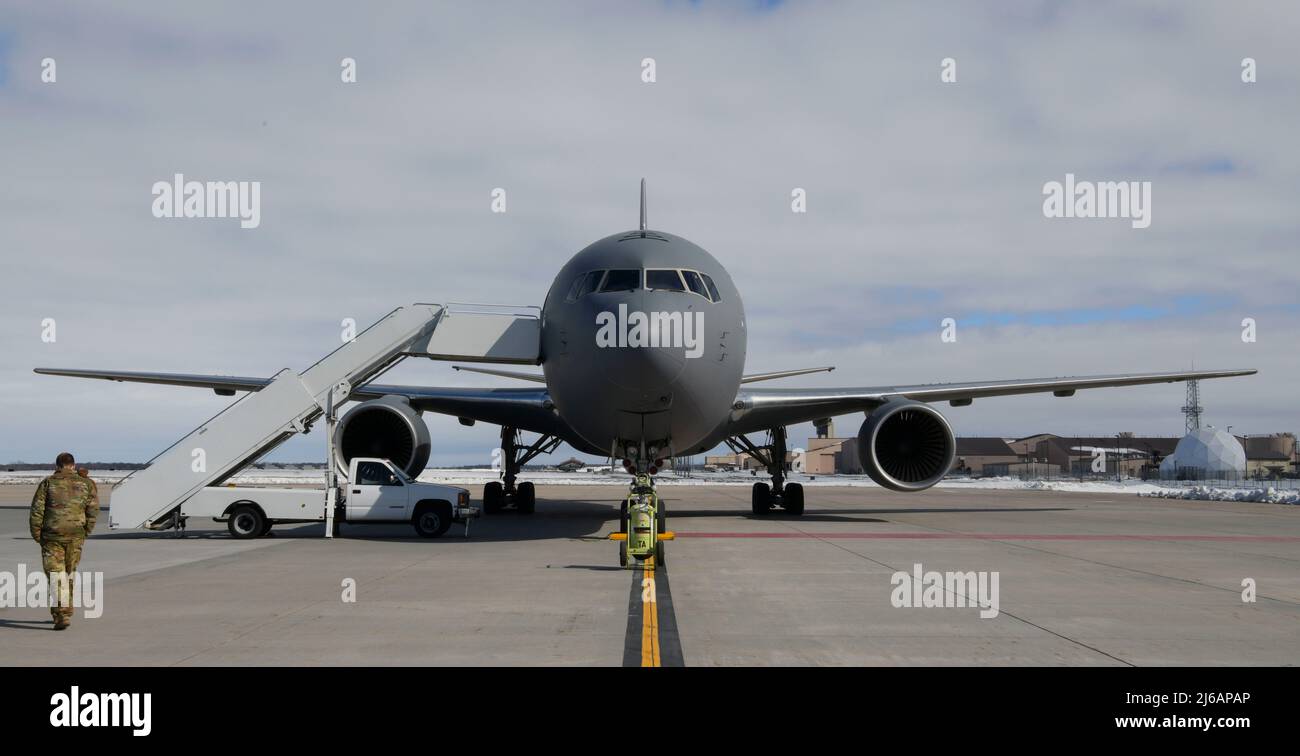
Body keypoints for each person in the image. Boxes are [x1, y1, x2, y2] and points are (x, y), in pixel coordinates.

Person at [29, 452, 98, 630]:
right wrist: (86, 531)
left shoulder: (48, 483)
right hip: (75, 536)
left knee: (55, 575)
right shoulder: (86, 483)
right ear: (73, 465)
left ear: (58, 465)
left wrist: (37, 533)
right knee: (69, 573)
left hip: (52, 536)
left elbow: (37, 510)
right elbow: (93, 510)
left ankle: (61, 613)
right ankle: (64, 610)